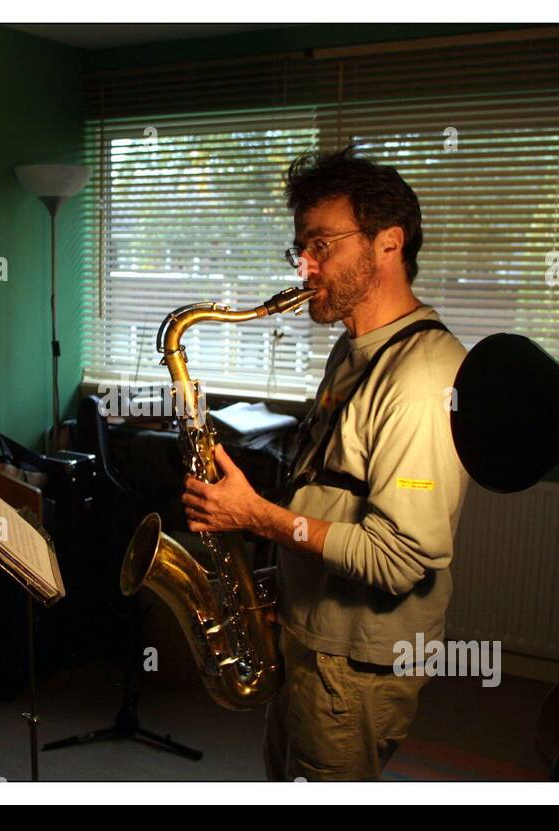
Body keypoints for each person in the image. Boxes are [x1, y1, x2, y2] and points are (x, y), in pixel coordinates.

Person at [181, 146, 469, 780]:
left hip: (354, 662)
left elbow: (399, 559)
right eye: (300, 249)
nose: (306, 267)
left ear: (388, 244)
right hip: (313, 635)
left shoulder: (422, 377)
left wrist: (257, 517)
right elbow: (332, 486)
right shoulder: (354, 347)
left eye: (322, 246)